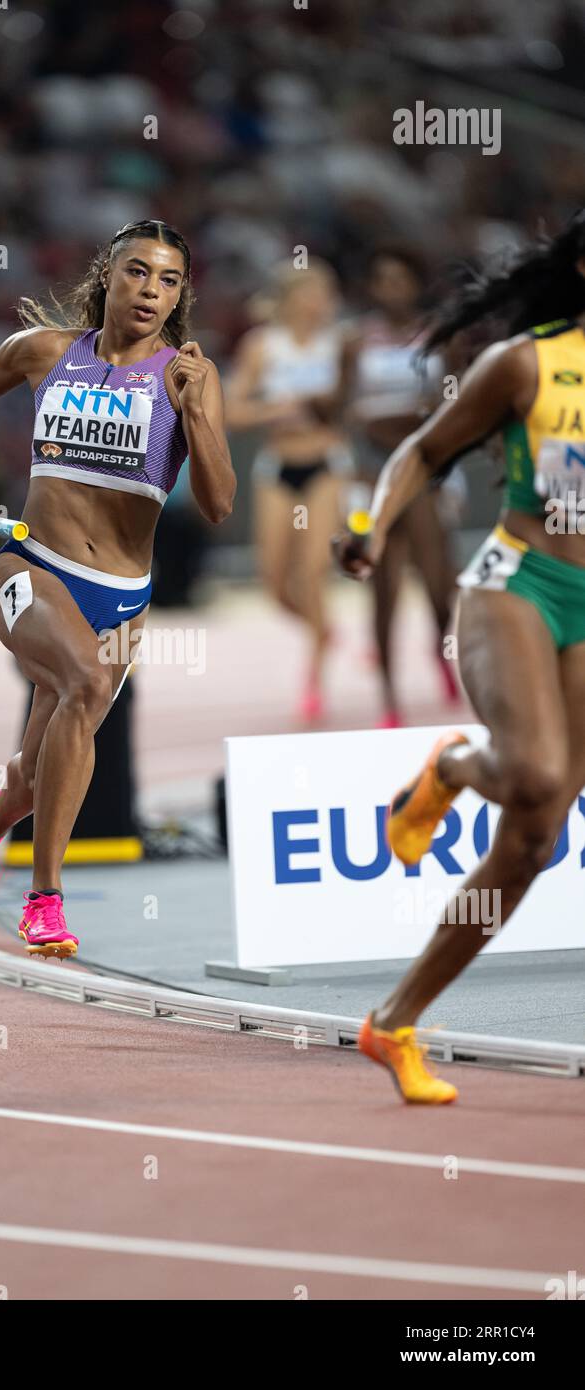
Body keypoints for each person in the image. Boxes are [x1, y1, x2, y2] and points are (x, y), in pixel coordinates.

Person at [334, 209, 585, 1104]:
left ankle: (393, 1023)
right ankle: (451, 765)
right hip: (517, 583)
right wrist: (372, 524)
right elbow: (423, 448)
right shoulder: (525, 362)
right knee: (530, 772)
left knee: (535, 835)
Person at [0, 219, 235, 957]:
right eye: (138, 272)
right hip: (30, 564)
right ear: (108, 273)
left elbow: (222, 503)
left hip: (122, 597)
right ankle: (44, 900)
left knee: (41, 777)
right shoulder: (47, 353)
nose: (151, 291)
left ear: (180, 296)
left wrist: (197, 415)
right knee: (85, 684)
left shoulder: (185, 376)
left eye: (168, 281)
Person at [226, 261, 350, 723]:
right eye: (316, 291)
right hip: (278, 466)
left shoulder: (339, 345)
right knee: (275, 583)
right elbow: (234, 411)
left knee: (313, 572)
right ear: (293, 297)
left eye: (328, 292)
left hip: (326, 466)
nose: (324, 301)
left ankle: (314, 680)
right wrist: (277, 411)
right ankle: (322, 630)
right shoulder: (263, 345)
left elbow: (349, 405)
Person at [348, 247, 460, 726]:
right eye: (383, 280)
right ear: (373, 287)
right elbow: (344, 410)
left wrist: (405, 418)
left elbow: (450, 403)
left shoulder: (439, 337)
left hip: (427, 466)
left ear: (416, 284)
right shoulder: (355, 341)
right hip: (373, 470)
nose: (392, 289)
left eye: (401, 279)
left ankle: (441, 646)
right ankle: (390, 694)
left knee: (437, 583)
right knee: (382, 583)